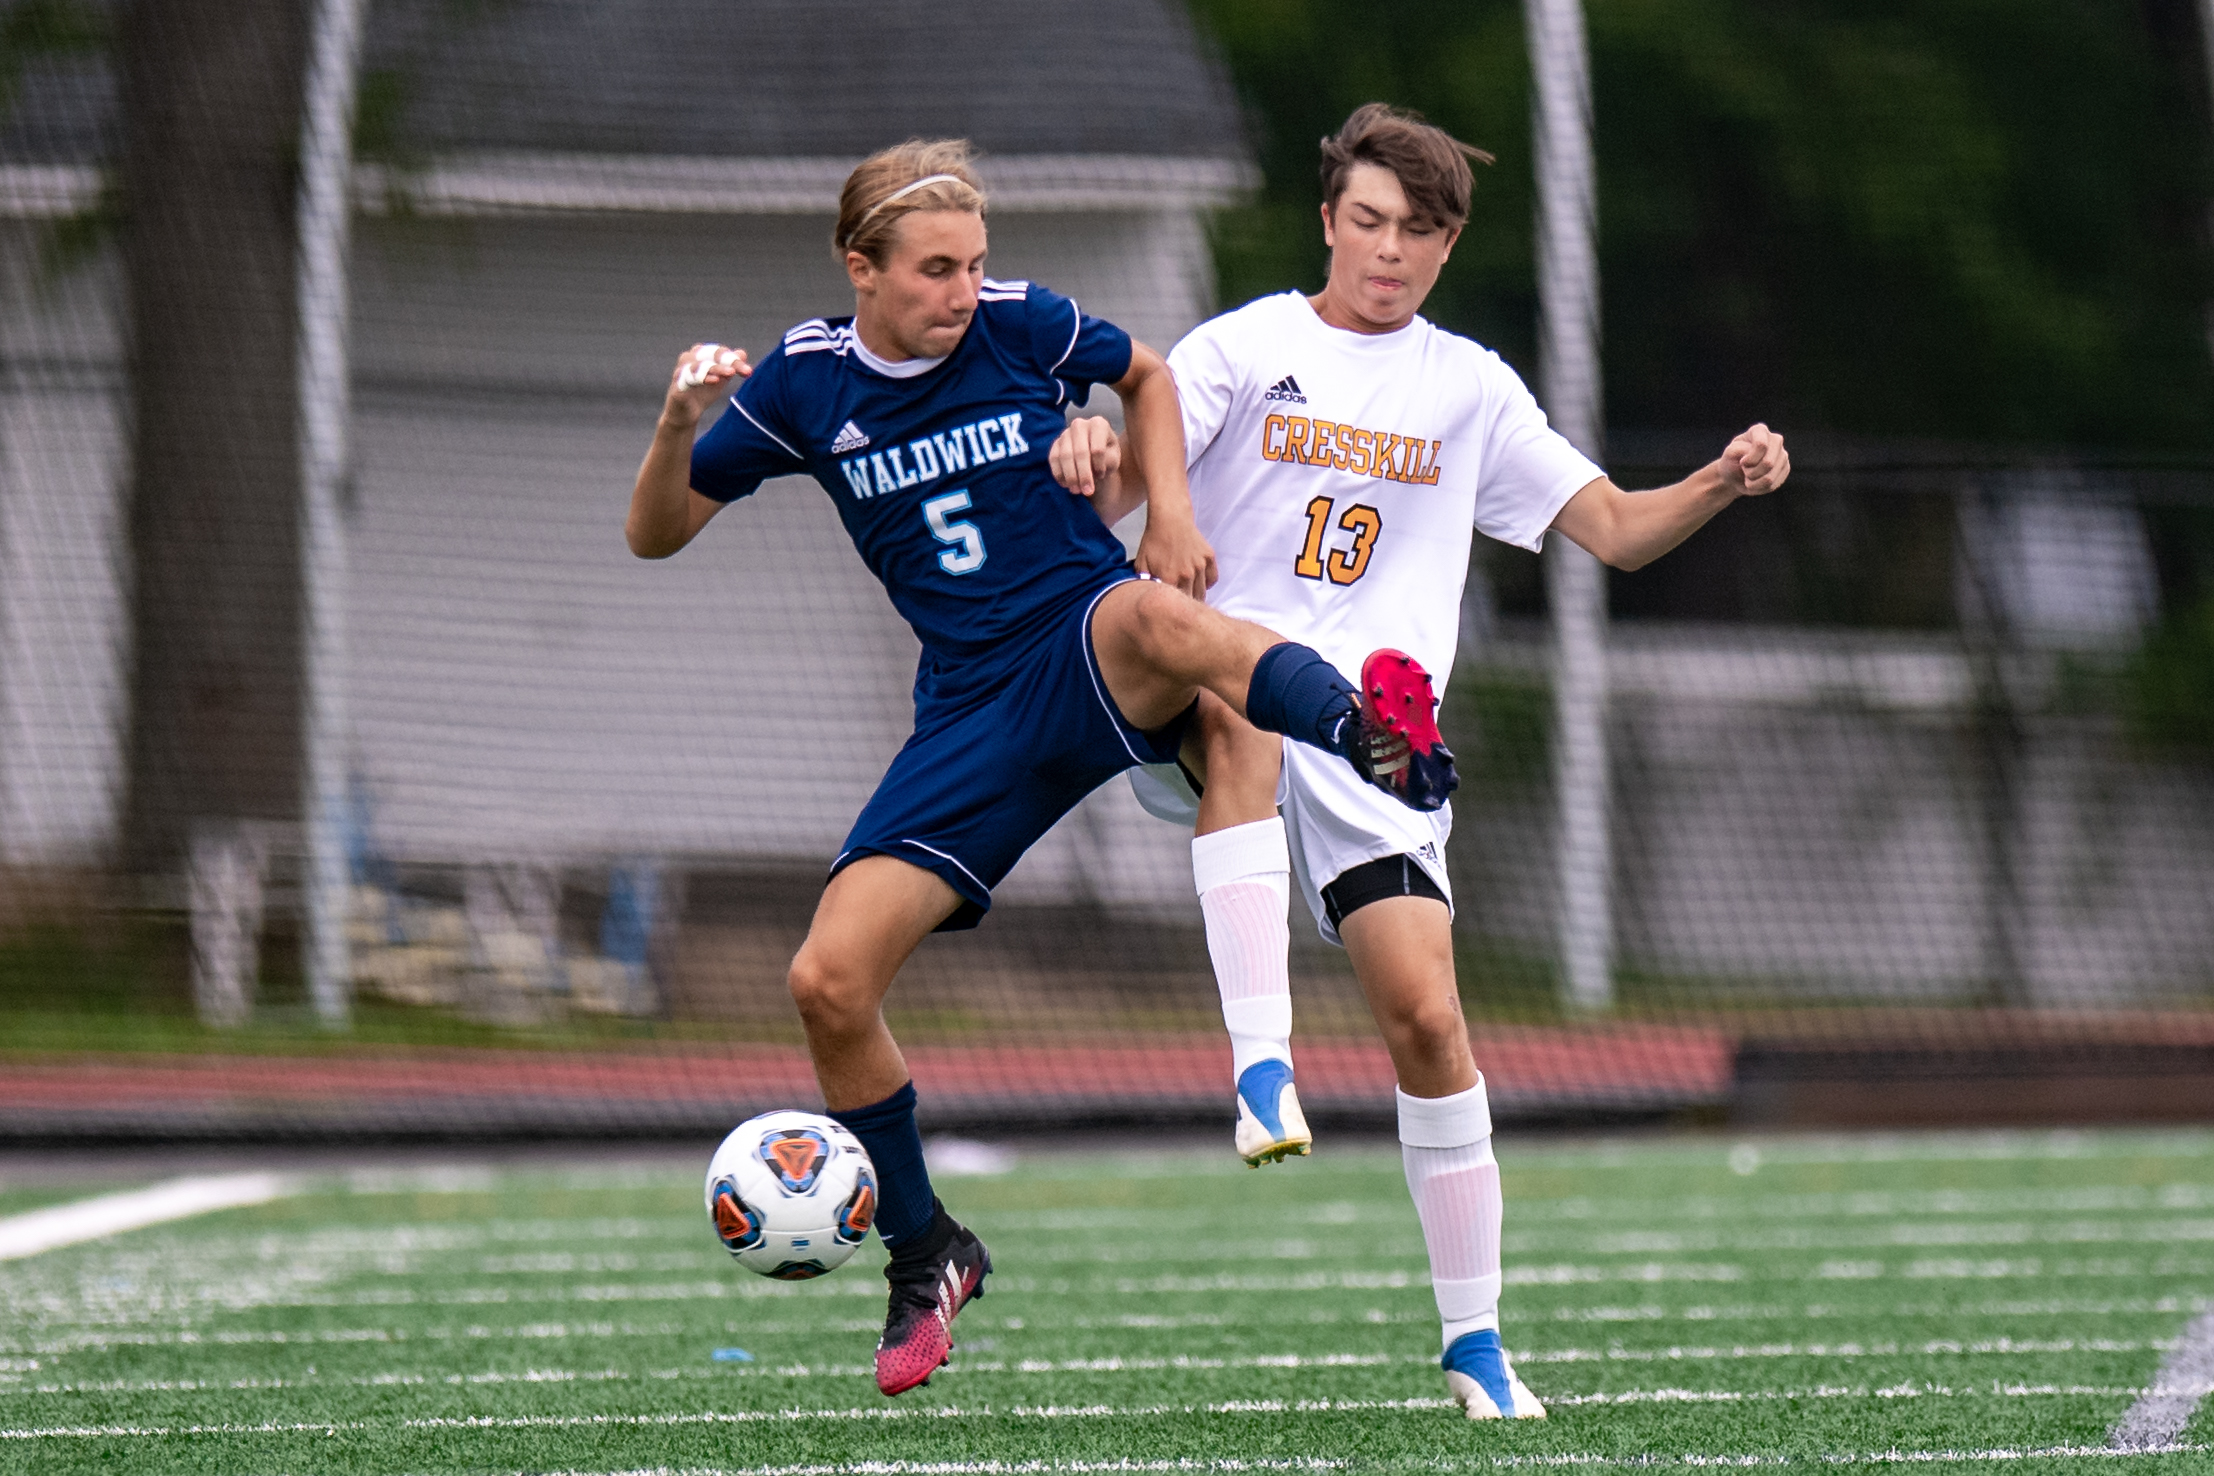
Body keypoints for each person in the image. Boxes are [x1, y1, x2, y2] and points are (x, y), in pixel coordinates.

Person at [624, 138, 1458, 1399]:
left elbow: (1151, 375)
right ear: (862, 268)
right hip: (968, 708)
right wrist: (679, 423)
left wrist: (1165, 509)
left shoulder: (1019, 326)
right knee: (827, 980)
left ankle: (1373, 740)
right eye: (935, 270)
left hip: (1086, 631)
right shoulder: (800, 382)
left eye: (977, 264)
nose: (964, 290)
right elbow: (657, 534)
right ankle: (929, 1254)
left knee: (1163, 616)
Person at [1047, 103, 1791, 1420]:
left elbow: (1613, 530)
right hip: (1211, 682)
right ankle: (1260, 1067)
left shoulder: (1468, 388)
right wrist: (1091, 452)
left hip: (1379, 728)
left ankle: (1475, 1342)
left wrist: (1721, 480)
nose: (1388, 250)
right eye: (1369, 221)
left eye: (1419, 231)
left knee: (1429, 1020)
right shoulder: (1245, 346)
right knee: (1242, 710)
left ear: (1447, 247)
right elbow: (1120, 480)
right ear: (1330, 219)